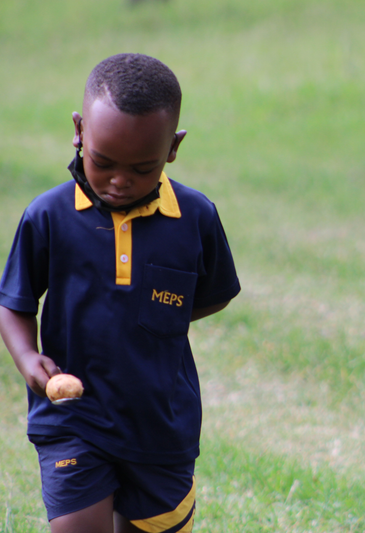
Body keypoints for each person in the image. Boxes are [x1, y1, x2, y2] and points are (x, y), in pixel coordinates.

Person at [0, 53, 240, 533]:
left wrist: (155, 314)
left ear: (173, 148)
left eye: (142, 168)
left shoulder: (194, 217)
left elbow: (215, 292)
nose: (119, 180)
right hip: (73, 418)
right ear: (79, 131)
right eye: (103, 162)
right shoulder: (49, 216)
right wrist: (27, 359)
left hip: (161, 425)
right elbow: (14, 302)